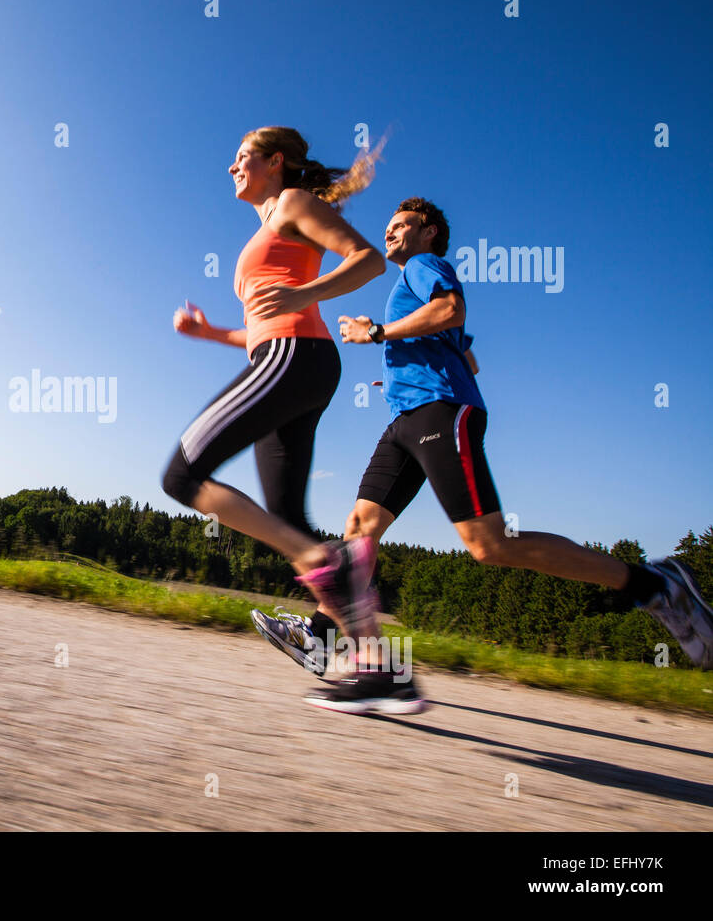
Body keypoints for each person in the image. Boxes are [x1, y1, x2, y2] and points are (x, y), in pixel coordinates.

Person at [286, 196, 713, 714]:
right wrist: (401, 366)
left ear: (430, 233)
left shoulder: (425, 267)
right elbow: (467, 354)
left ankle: (653, 583)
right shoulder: (410, 281)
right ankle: (334, 645)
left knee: (488, 544)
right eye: (390, 225)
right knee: (361, 527)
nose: (392, 231)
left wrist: (377, 332)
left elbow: (449, 311)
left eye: (405, 225)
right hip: (408, 417)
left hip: (440, 415)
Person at [161, 126, 385, 653]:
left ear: (275, 161)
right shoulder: (267, 227)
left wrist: (303, 294)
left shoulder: (292, 203)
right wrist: (210, 331)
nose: (232, 167)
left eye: (243, 157)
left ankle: (325, 562)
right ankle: (379, 668)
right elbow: (260, 324)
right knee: (287, 519)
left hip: (295, 356)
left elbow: (367, 260)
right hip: (287, 359)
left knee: (182, 475)